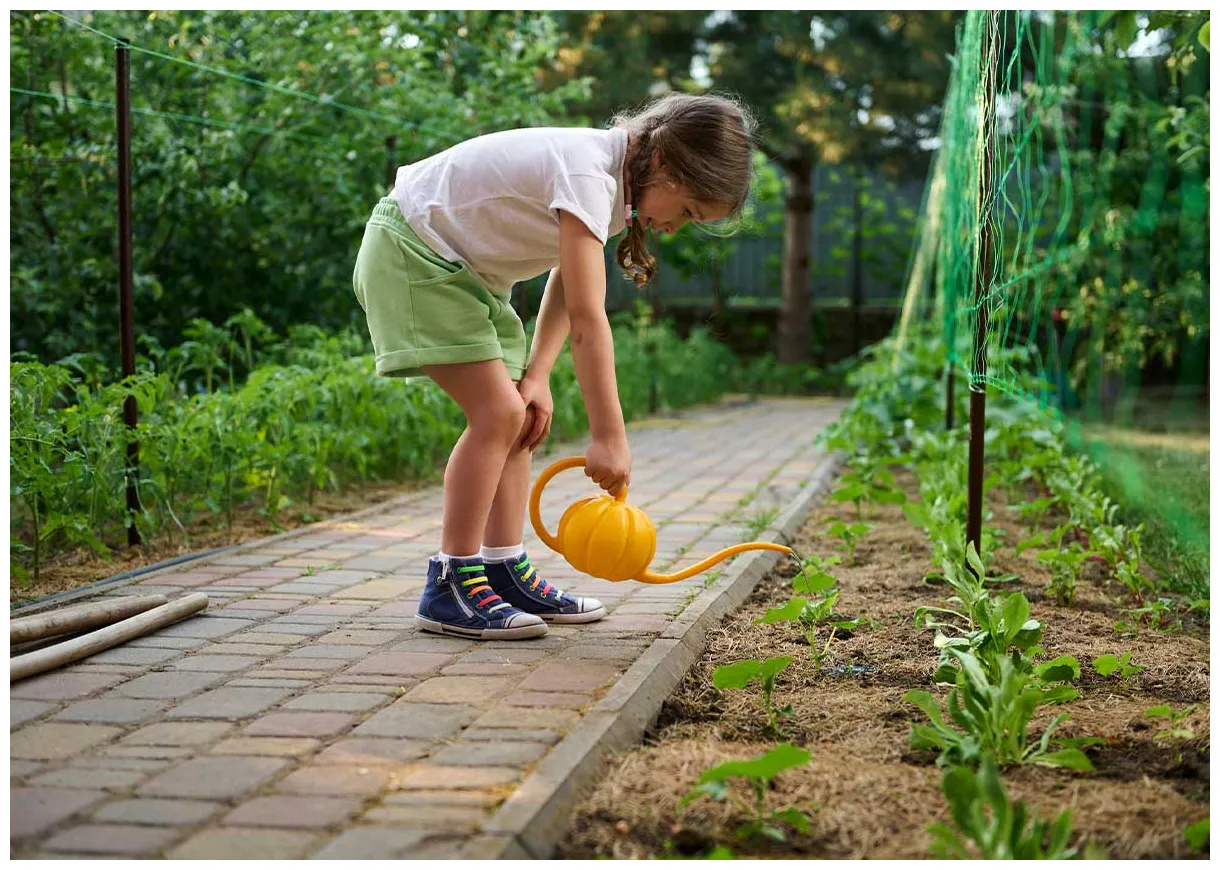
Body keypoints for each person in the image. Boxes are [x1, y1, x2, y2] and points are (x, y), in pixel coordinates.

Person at [352, 93, 756, 640]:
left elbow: (566, 284)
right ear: (665, 164)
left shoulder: (610, 185)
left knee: (518, 415)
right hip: (413, 251)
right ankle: (449, 583)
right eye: (687, 211)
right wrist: (609, 438)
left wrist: (537, 375)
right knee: (497, 415)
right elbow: (589, 321)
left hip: (466, 275)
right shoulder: (589, 173)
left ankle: (501, 569)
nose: (675, 228)